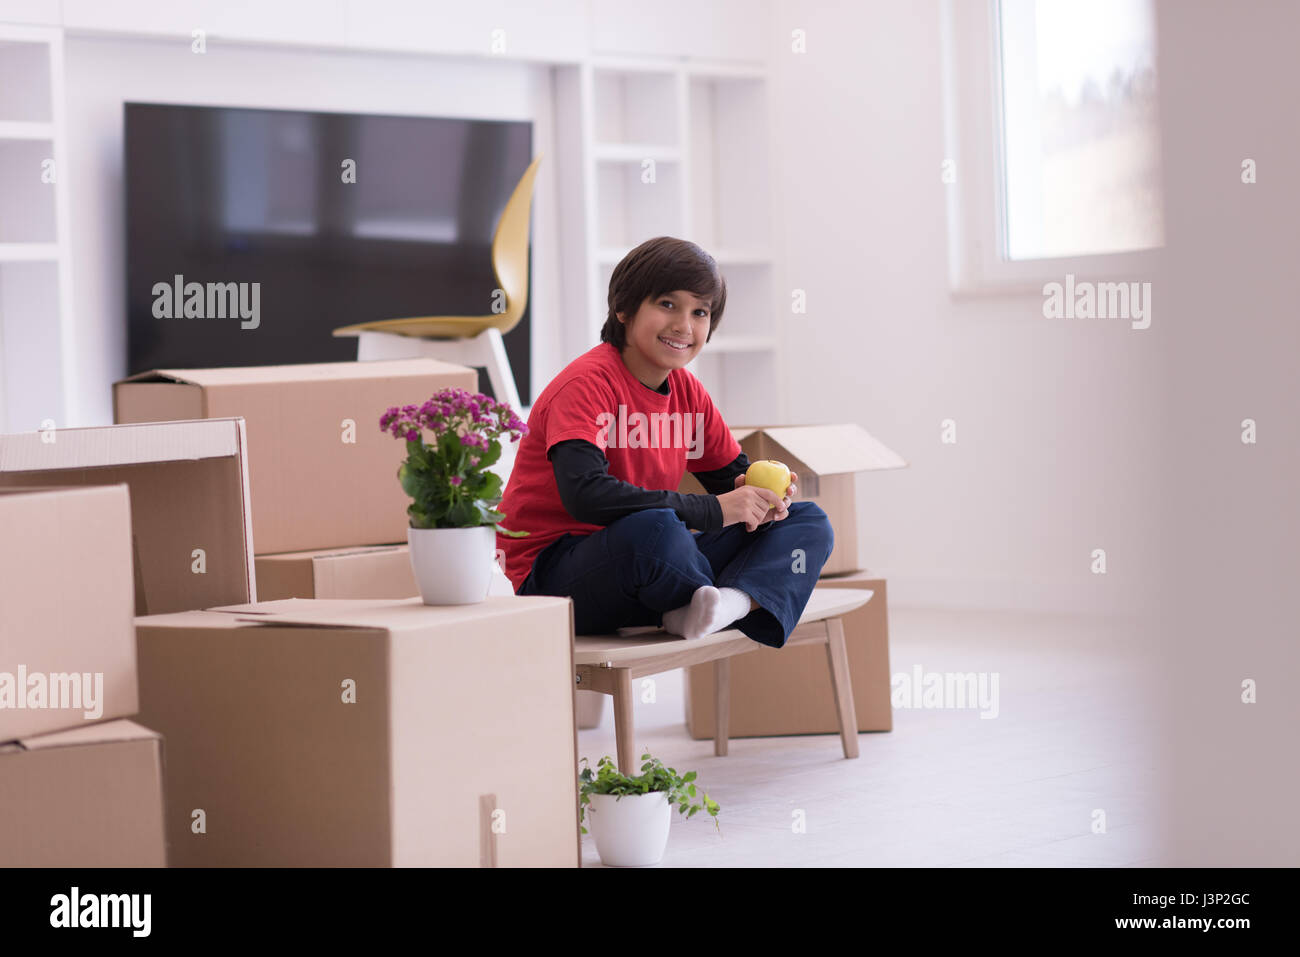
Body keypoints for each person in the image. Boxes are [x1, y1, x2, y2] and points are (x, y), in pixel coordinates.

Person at [495, 236, 833, 648]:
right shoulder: (586, 384)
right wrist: (711, 510)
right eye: (667, 305)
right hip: (553, 578)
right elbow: (585, 495)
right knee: (656, 530)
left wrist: (762, 501)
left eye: (700, 312)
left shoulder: (688, 393)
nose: (684, 326)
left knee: (807, 520)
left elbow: (731, 482)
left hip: (649, 570)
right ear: (623, 308)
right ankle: (694, 602)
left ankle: (728, 604)